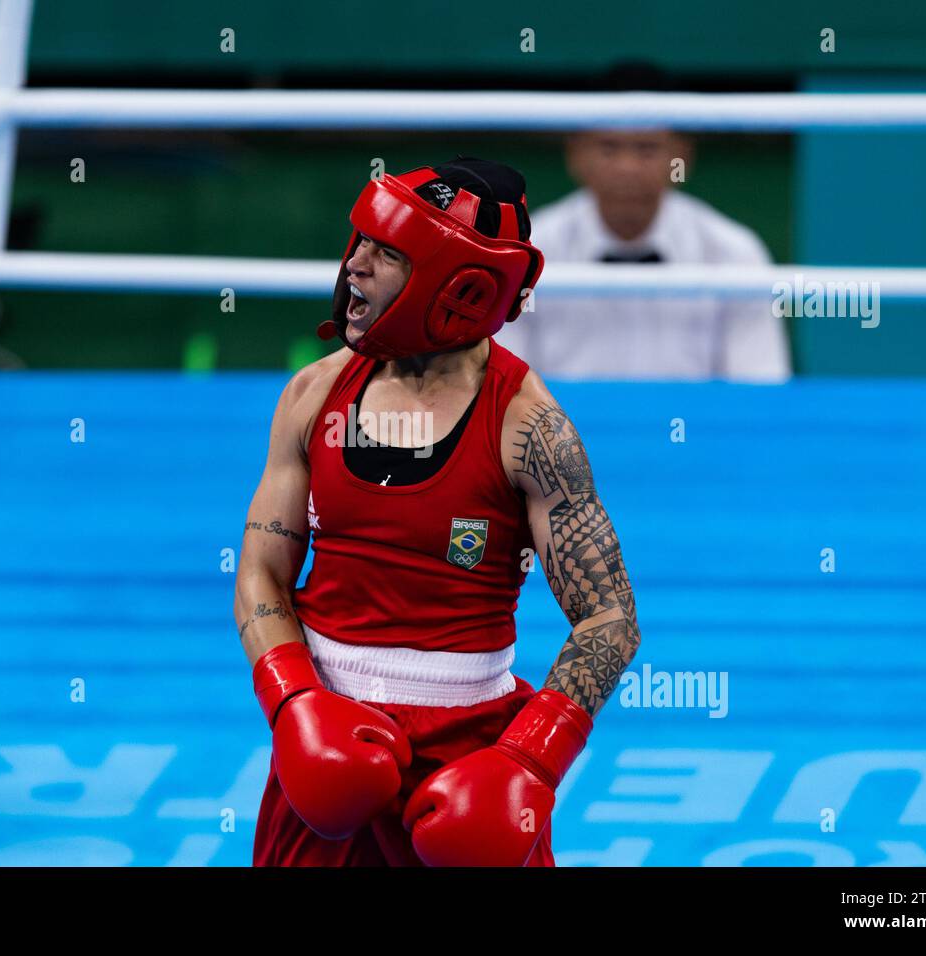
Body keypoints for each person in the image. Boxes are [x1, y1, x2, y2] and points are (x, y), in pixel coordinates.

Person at [234, 157, 641, 866]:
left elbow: (610, 617)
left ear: (459, 285)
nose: (353, 266)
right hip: (322, 736)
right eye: (357, 241)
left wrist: (529, 761)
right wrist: (293, 701)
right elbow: (261, 574)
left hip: (473, 755)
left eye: (384, 252)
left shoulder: (528, 427)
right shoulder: (313, 394)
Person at [493, 127, 792, 382]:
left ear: (682, 156)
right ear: (576, 154)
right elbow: (504, 390)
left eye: (646, 149)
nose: (628, 166)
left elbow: (758, 387)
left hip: (700, 444)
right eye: (609, 148)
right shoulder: (528, 249)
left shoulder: (733, 252)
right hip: (550, 443)